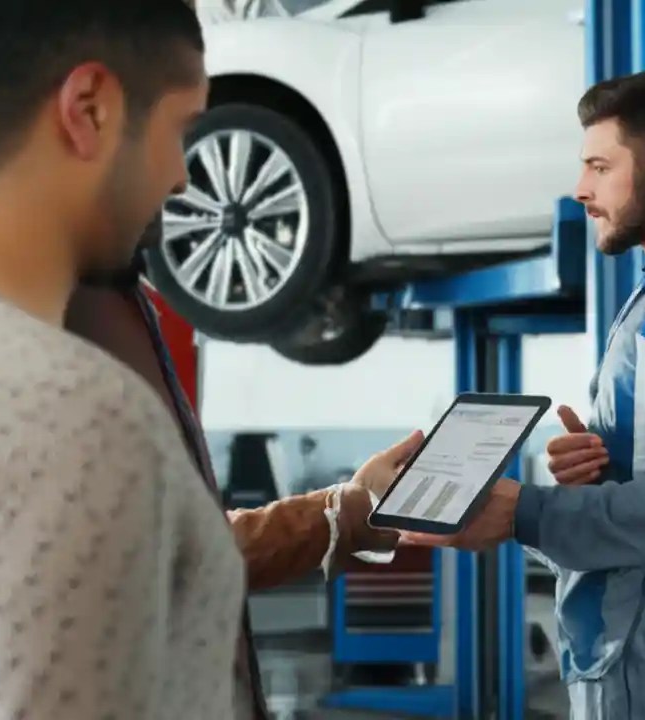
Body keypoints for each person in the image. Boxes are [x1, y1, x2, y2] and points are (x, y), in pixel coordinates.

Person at [0, 1, 415, 718]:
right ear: (90, 108)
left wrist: (338, 516)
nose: (181, 178)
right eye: (181, 130)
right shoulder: (71, 420)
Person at [403, 71, 645, 719]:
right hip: (618, 641)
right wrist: (596, 467)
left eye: (598, 166)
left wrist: (528, 514)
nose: (581, 189)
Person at [65, 238, 412, 720]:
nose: (180, 176)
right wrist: (343, 514)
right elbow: (171, 553)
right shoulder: (64, 317)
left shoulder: (118, 300)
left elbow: (182, 543)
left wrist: (345, 508)